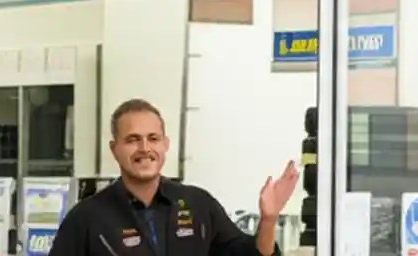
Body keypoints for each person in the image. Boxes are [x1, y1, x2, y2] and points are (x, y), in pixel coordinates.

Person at [49, 98, 299, 256]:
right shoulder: (86, 219)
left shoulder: (198, 205)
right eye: (133, 140)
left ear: (166, 145)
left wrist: (268, 220)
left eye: (153, 139)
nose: (145, 148)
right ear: (114, 149)